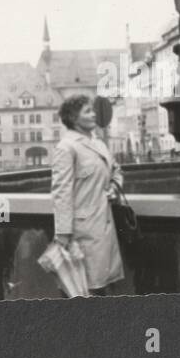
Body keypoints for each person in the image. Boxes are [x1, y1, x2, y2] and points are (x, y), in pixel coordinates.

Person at [51, 94, 124, 296]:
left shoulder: (98, 143)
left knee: (101, 287)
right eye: (87, 111)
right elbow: (61, 192)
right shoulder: (66, 147)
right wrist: (63, 235)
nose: (94, 114)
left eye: (93, 110)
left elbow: (116, 171)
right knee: (83, 289)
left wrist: (114, 188)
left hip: (104, 228)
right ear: (74, 118)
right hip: (82, 232)